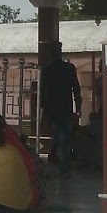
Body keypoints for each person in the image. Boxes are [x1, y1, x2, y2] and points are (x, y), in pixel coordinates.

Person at [39, 41, 81, 175]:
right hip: (66, 108)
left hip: (53, 110)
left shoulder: (47, 69)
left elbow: (42, 90)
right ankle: (62, 164)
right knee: (64, 137)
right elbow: (76, 88)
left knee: (59, 136)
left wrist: (43, 108)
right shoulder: (69, 68)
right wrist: (78, 106)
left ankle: (60, 163)